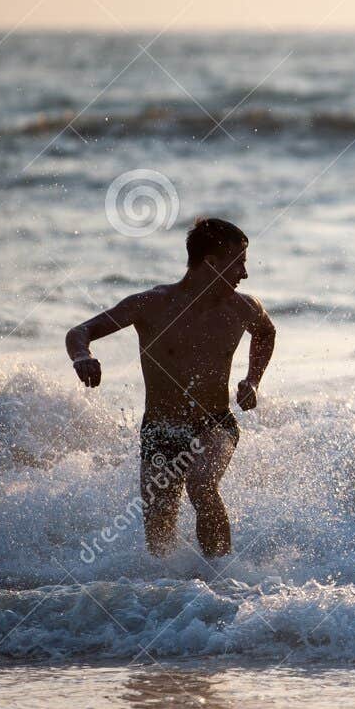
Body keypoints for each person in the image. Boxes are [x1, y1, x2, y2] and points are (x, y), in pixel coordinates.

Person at [65, 217, 276, 557]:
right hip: (160, 428)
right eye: (238, 263)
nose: (245, 274)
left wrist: (252, 380)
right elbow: (79, 332)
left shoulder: (243, 308)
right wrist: (82, 358)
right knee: (160, 539)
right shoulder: (151, 304)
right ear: (211, 263)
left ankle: (222, 578)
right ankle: (169, 597)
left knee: (202, 485)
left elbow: (267, 332)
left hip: (215, 424)